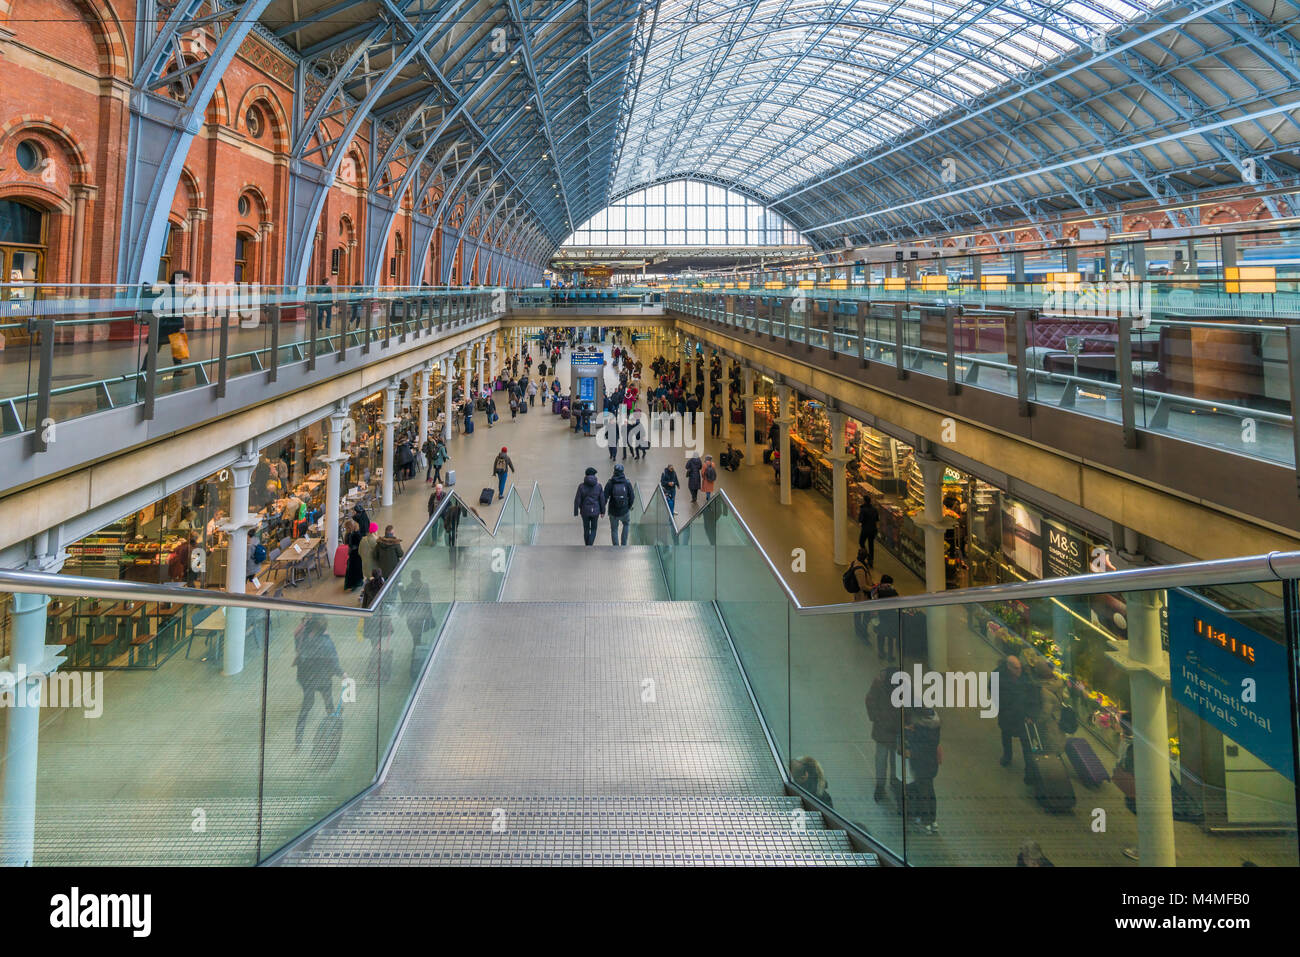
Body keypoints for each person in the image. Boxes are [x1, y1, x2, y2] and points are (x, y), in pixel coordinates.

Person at [293, 615, 343, 749]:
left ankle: (298, 742)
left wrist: (303, 625)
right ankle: (332, 729)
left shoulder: (302, 638)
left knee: (306, 708)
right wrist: (342, 674)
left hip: (306, 679)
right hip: (323, 679)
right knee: (328, 702)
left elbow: (296, 636)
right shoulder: (326, 643)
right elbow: (333, 662)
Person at [903, 707, 941, 834]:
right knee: (930, 790)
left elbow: (915, 742)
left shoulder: (921, 728)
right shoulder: (935, 726)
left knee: (923, 792)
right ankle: (933, 820)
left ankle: (926, 823)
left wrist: (909, 732)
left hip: (921, 763)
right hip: (931, 764)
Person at [996, 655, 1033, 782]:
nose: (1019, 671)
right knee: (1006, 735)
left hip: (1022, 716)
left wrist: (1029, 713)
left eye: (1020, 668)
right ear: (1008, 667)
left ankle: (1029, 770)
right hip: (1008, 715)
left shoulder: (1024, 675)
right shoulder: (999, 676)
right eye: (1016, 669)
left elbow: (1031, 693)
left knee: (1026, 743)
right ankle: (1007, 756)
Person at [865, 666, 899, 802]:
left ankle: (888, 784)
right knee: (883, 759)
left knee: (889, 759)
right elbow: (870, 700)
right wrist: (876, 717)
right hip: (885, 729)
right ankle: (882, 786)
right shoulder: (879, 683)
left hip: (894, 729)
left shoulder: (904, 684)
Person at [574, 466, 606, 546]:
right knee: (594, 529)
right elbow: (602, 499)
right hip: (595, 511)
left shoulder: (581, 486)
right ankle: (590, 545)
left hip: (584, 511)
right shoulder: (599, 486)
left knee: (586, 529)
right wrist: (603, 512)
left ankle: (587, 545)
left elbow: (577, 499)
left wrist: (576, 511)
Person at [604, 464, 635, 547]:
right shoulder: (627, 482)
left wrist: (602, 510)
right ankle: (624, 545)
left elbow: (604, 497)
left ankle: (616, 547)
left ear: (614, 471)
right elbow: (632, 496)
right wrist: (628, 507)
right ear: (622, 472)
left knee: (614, 529)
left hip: (613, 512)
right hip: (624, 511)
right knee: (626, 525)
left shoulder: (610, 483)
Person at [858, 494, 879, 567]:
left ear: (864, 501)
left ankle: (866, 555)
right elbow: (876, 519)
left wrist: (861, 522)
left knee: (861, 542)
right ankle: (871, 560)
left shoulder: (863, 509)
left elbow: (861, 520)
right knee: (871, 545)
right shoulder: (874, 509)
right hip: (873, 529)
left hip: (865, 530)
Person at [342, 519, 364, 591]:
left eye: (346, 528)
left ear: (349, 527)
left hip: (355, 555)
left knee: (353, 570)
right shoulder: (355, 533)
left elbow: (349, 544)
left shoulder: (354, 535)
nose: (346, 530)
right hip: (356, 554)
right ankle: (357, 582)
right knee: (356, 569)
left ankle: (354, 584)